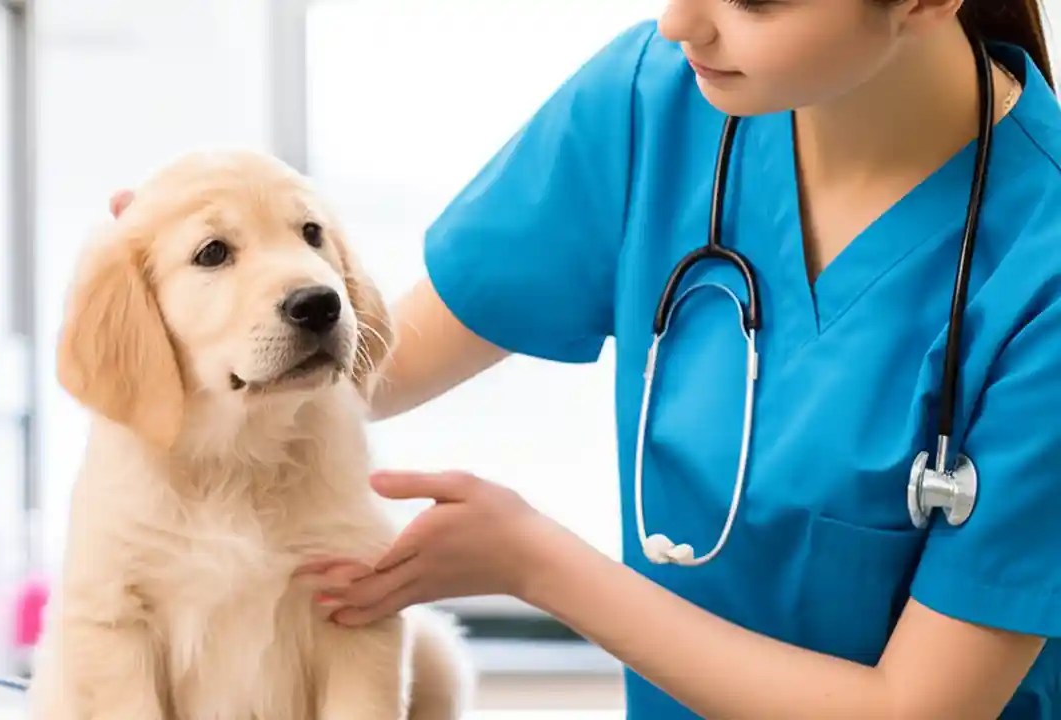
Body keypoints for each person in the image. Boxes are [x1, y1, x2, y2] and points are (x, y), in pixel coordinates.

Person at [113, 2, 1061, 716]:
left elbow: (919, 710)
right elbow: (364, 369)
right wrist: (193, 302)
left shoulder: (1042, 268)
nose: (686, 20)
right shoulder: (654, 100)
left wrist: (534, 564)